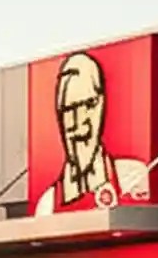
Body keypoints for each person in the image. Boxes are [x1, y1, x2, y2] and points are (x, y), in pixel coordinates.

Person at [33, 52, 148, 216]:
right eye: (68, 110)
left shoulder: (133, 177)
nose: (79, 125)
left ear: (102, 104)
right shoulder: (48, 204)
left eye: (89, 105)